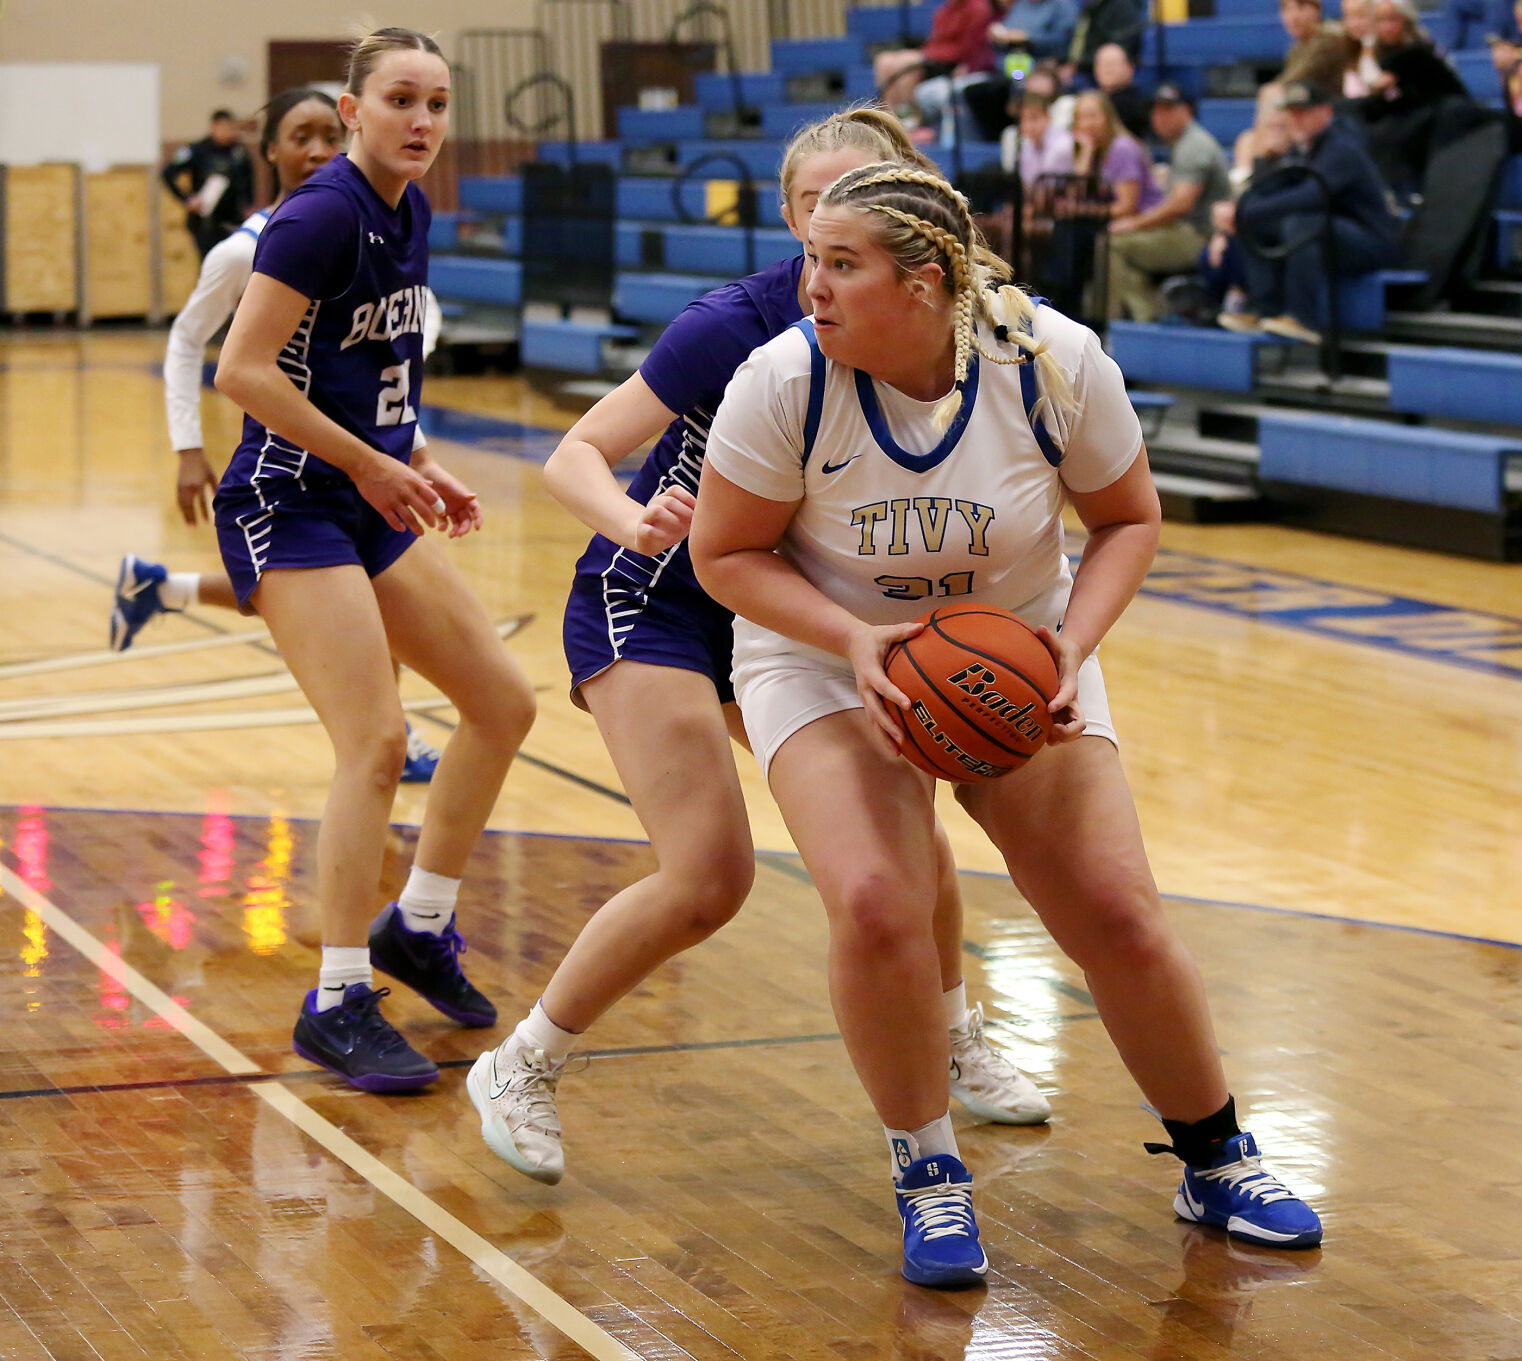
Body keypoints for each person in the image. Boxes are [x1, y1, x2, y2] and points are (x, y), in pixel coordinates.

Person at [687, 160, 1323, 1287]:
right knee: (880, 899)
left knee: (1116, 909)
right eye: (811, 260)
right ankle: (928, 1172)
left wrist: (1071, 645)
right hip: (826, 652)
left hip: (1018, 652)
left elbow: (1127, 519)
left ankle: (1215, 1154)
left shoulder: (1051, 362)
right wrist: (851, 641)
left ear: (926, 281)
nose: (810, 287)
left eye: (842, 265)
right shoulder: (781, 382)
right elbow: (723, 553)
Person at [465, 107, 1050, 1190]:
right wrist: (625, 518)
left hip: (793, 611)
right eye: (817, 205)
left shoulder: (942, 322)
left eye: (866, 190)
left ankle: (953, 1030)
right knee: (710, 873)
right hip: (661, 600)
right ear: (790, 219)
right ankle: (523, 1061)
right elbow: (576, 452)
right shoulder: (732, 324)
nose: (838, 217)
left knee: (906, 829)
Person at [212, 27, 535, 1091]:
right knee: (378, 737)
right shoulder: (318, 216)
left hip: (365, 487)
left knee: (501, 703)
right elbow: (242, 371)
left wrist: (421, 460)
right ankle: (338, 994)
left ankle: (419, 925)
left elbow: (375, 370)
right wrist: (371, 467)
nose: (423, 122)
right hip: (288, 500)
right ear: (353, 110)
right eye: (401, 99)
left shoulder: (413, 207)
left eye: (437, 103)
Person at [116, 87, 443, 782]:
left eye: (330, 132)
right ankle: (390, 735)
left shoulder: (384, 220)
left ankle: (162, 590)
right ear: (269, 152)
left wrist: (411, 441)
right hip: (291, 472)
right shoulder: (244, 252)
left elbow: (410, 327)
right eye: (300, 136)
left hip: (366, 458)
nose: (318, 148)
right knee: (328, 599)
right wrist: (187, 447)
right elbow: (187, 343)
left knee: (359, 598)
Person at [1224, 80, 1401, 343]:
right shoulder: (1301, 148)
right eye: (1292, 112)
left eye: (1303, 112)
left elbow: (1311, 196)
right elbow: (1272, 189)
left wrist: (1251, 210)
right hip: (1331, 232)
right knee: (1256, 224)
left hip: (1370, 240)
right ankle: (1266, 308)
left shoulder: (1342, 147)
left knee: (1303, 224)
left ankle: (1304, 318)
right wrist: (1242, 209)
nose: (1295, 119)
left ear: (1325, 113)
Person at [1106, 85, 1231, 320]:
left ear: (1187, 111)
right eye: (1156, 112)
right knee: (1115, 245)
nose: (1159, 118)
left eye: (1168, 111)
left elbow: (1181, 205)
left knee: (1112, 243)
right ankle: (1145, 314)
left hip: (1201, 237)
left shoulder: (1194, 146)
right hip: (1185, 230)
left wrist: (1135, 224)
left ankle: (1122, 322)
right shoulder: (1184, 143)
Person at [873, 0, 999, 122]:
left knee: (909, 65)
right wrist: (928, 52)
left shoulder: (978, 8)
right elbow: (935, 40)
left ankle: (911, 118)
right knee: (884, 60)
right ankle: (888, 114)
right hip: (934, 56)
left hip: (951, 63)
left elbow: (968, 48)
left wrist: (930, 54)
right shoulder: (945, 9)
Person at [161, 109, 256, 259]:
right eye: (225, 127)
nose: (229, 132)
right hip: (205, 221)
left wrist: (249, 205)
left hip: (233, 219)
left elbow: (248, 179)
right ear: (214, 127)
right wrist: (187, 199)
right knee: (210, 262)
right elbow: (167, 174)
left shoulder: (239, 152)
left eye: (231, 127)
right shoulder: (197, 150)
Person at [1062, 0, 1147, 84]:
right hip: (1086, 68)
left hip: (1099, 66)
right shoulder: (1090, 7)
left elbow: (1125, 42)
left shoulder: (1122, 5)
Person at [1279, 0, 1353, 97]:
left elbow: (1297, 77)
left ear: (1317, 9)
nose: (1293, 17)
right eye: (1286, 9)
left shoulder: (1330, 38)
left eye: (1301, 8)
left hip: (1335, 105)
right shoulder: (1295, 48)